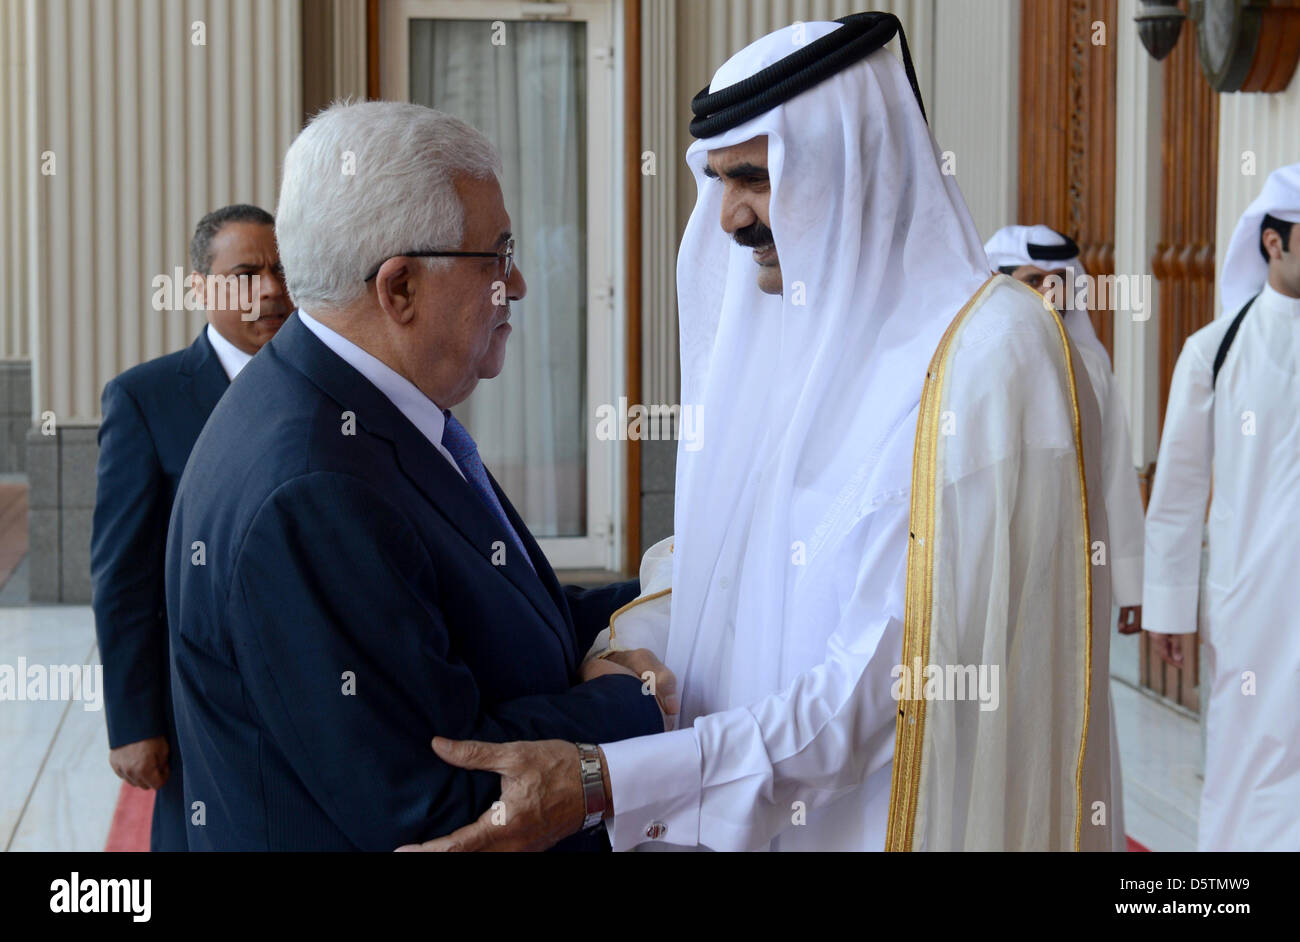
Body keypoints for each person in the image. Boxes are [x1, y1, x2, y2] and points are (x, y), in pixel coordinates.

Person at [411, 14, 1114, 852]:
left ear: (851, 165)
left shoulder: (993, 357)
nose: (728, 218)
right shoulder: (792, 329)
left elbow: (887, 685)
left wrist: (611, 779)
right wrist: (625, 650)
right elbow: (724, 564)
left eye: (754, 179)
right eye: (716, 181)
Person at [165, 101, 670, 851]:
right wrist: (634, 701)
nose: (520, 283)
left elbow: (488, 612)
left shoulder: (358, 402)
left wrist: (673, 591)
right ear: (398, 288)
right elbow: (443, 790)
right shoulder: (314, 486)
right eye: (497, 255)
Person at [90, 204, 291, 851]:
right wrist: (132, 720)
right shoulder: (147, 399)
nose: (268, 290)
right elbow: (123, 576)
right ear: (200, 287)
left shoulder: (328, 389)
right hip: (201, 707)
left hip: (311, 691)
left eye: (282, 271)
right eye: (245, 273)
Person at [1143, 162, 1300, 851]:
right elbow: (1176, 493)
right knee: (1249, 762)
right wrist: (1170, 608)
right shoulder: (1215, 349)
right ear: (1274, 242)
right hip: (1253, 603)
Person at [984, 224, 1145, 853]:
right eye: (1032, 284)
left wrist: (1130, 583)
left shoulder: (1091, 360)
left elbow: (1115, 475)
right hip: (1004, 579)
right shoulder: (982, 361)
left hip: (1079, 581)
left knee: (1078, 717)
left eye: (1060, 285)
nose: (1049, 297)